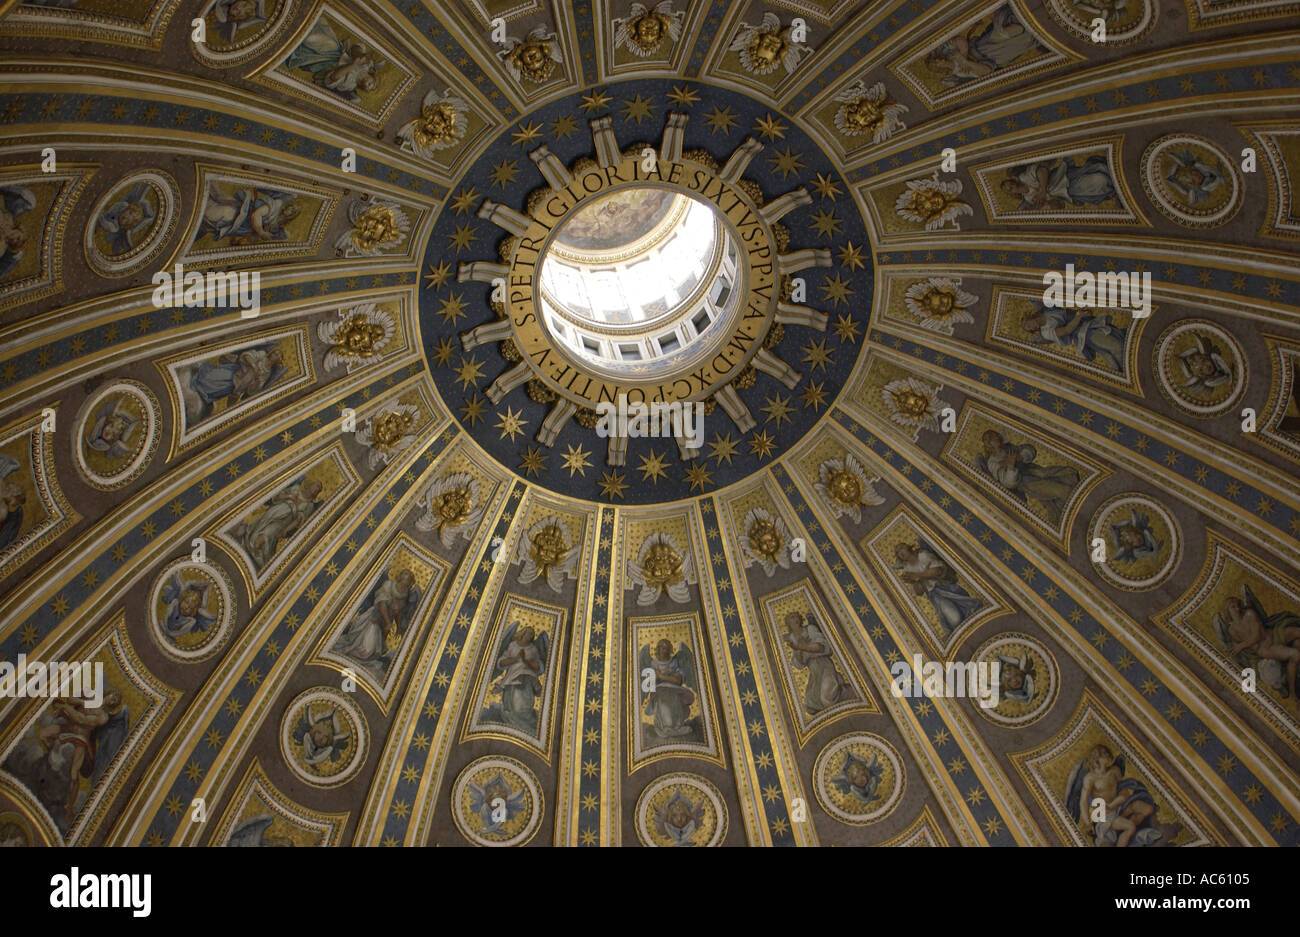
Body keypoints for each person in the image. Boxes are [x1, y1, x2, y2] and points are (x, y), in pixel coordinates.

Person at [893, 541, 982, 632]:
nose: (900, 552)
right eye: (897, 552)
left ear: (908, 547)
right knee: (955, 620)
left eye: (901, 548)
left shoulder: (923, 555)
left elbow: (937, 571)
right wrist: (914, 582)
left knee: (966, 610)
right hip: (935, 596)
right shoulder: (908, 569)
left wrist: (918, 576)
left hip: (946, 587)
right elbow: (919, 592)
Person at [782, 612, 847, 714]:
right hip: (813, 670)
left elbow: (822, 647)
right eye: (792, 617)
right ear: (788, 623)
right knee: (810, 705)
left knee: (826, 697)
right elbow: (800, 664)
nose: (795, 619)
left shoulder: (810, 629)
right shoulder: (793, 639)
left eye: (797, 616)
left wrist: (803, 647)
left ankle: (844, 690)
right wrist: (799, 650)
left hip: (824, 664)